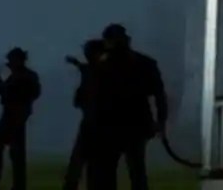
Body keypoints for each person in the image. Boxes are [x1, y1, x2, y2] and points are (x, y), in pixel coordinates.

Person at [87, 24, 167, 190]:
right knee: (135, 171)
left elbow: (92, 96)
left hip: (113, 125)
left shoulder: (103, 66)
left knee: (113, 171)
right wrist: (161, 120)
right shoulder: (143, 63)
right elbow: (159, 94)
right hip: (132, 124)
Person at [0, 47, 41, 190]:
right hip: (17, 116)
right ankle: (17, 185)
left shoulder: (21, 77)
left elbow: (9, 94)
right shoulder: (27, 76)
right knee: (16, 154)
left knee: (3, 150)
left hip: (13, 116)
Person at [62, 39, 105, 190]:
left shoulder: (97, 71)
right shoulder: (96, 70)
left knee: (82, 160)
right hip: (94, 122)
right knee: (86, 162)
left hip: (95, 123)